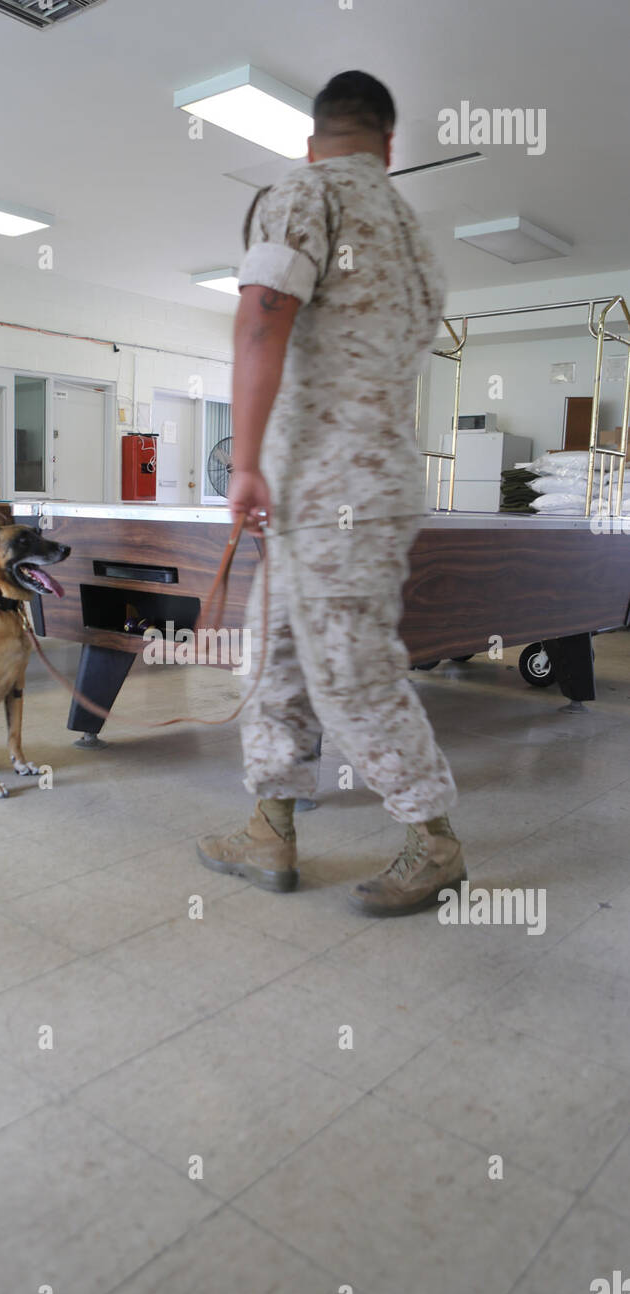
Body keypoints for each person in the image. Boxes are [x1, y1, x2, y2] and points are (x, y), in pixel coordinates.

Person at [197, 70, 464, 916]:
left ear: (313, 142)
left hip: (327, 485)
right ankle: (269, 829)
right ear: (390, 147)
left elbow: (263, 315)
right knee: (272, 654)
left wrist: (241, 463)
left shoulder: (302, 191)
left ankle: (435, 842)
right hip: (360, 482)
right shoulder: (416, 233)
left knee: (348, 668)